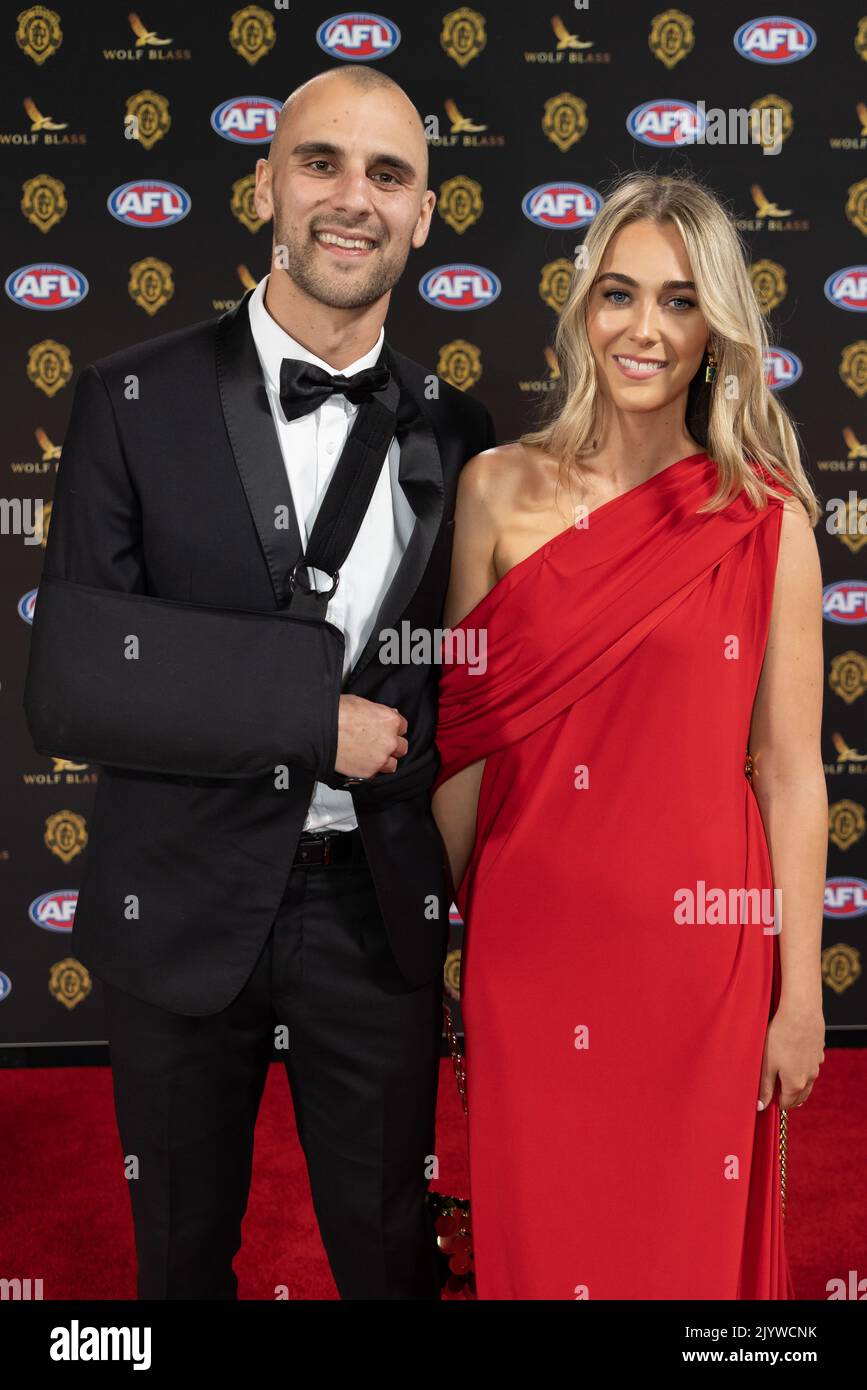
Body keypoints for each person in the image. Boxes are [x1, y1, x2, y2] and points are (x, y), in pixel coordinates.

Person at [24, 65, 495, 1300]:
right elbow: (73, 684)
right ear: (265, 186)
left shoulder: (459, 432)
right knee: (177, 1260)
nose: (354, 198)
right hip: (174, 907)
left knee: (390, 1256)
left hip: (374, 920)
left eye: (388, 174)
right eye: (322, 163)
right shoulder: (133, 398)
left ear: (427, 213)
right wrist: (304, 718)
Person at [431, 170, 827, 1300]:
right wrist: (437, 940)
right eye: (618, 294)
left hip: (701, 959)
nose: (643, 328)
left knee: (684, 1259)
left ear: (718, 331)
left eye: (679, 300)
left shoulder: (766, 523)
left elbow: (794, 778)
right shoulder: (496, 491)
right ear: (581, 309)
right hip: (531, 950)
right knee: (543, 1241)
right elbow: (461, 745)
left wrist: (798, 997)